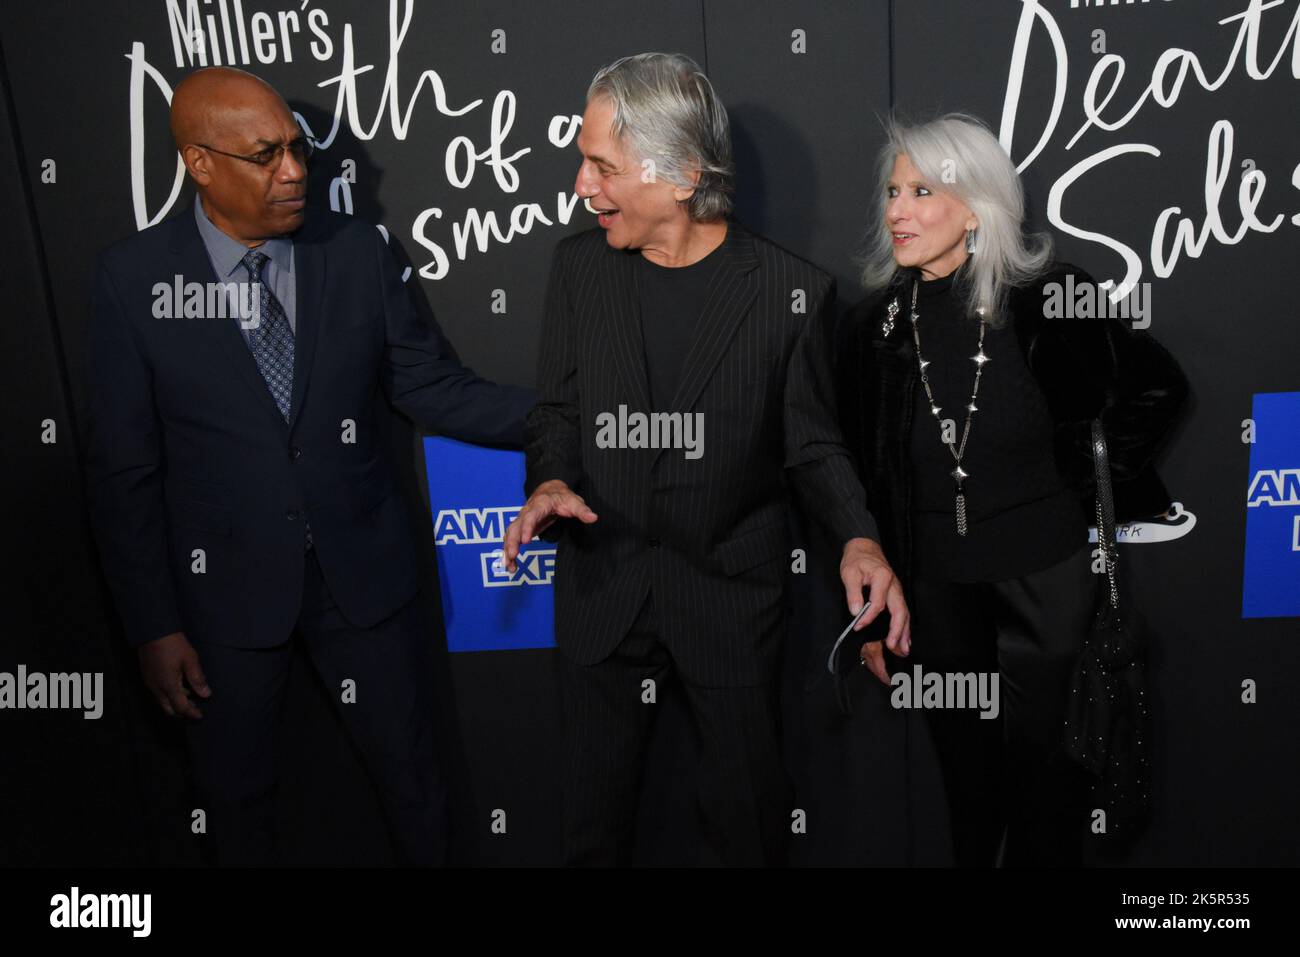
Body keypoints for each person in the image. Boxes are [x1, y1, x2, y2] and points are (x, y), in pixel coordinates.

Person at [84, 67, 534, 866]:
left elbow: (427, 383)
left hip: (364, 580)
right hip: (223, 602)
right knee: (239, 801)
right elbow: (125, 472)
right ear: (200, 162)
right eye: (267, 155)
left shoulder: (356, 250)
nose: (294, 172)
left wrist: (569, 415)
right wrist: (153, 624)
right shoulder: (132, 281)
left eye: (298, 149)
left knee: (415, 782)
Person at [501, 52, 909, 866]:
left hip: (728, 597)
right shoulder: (579, 268)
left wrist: (859, 537)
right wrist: (548, 475)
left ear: (681, 174)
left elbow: (814, 443)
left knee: (747, 827)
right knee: (592, 832)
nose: (583, 186)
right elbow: (557, 412)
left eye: (601, 166)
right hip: (602, 591)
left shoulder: (792, 293)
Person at [836, 113, 1188, 867]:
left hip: (1048, 581)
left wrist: (1087, 491)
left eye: (921, 190)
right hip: (934, 594)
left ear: (977, 204)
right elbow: (859, 472)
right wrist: (872, 614)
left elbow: (1155, 386)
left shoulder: (1047, 297)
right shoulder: (876, 329)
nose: (896, 209)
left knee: (1049, 791)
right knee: (967, 790)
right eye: (893, 190)